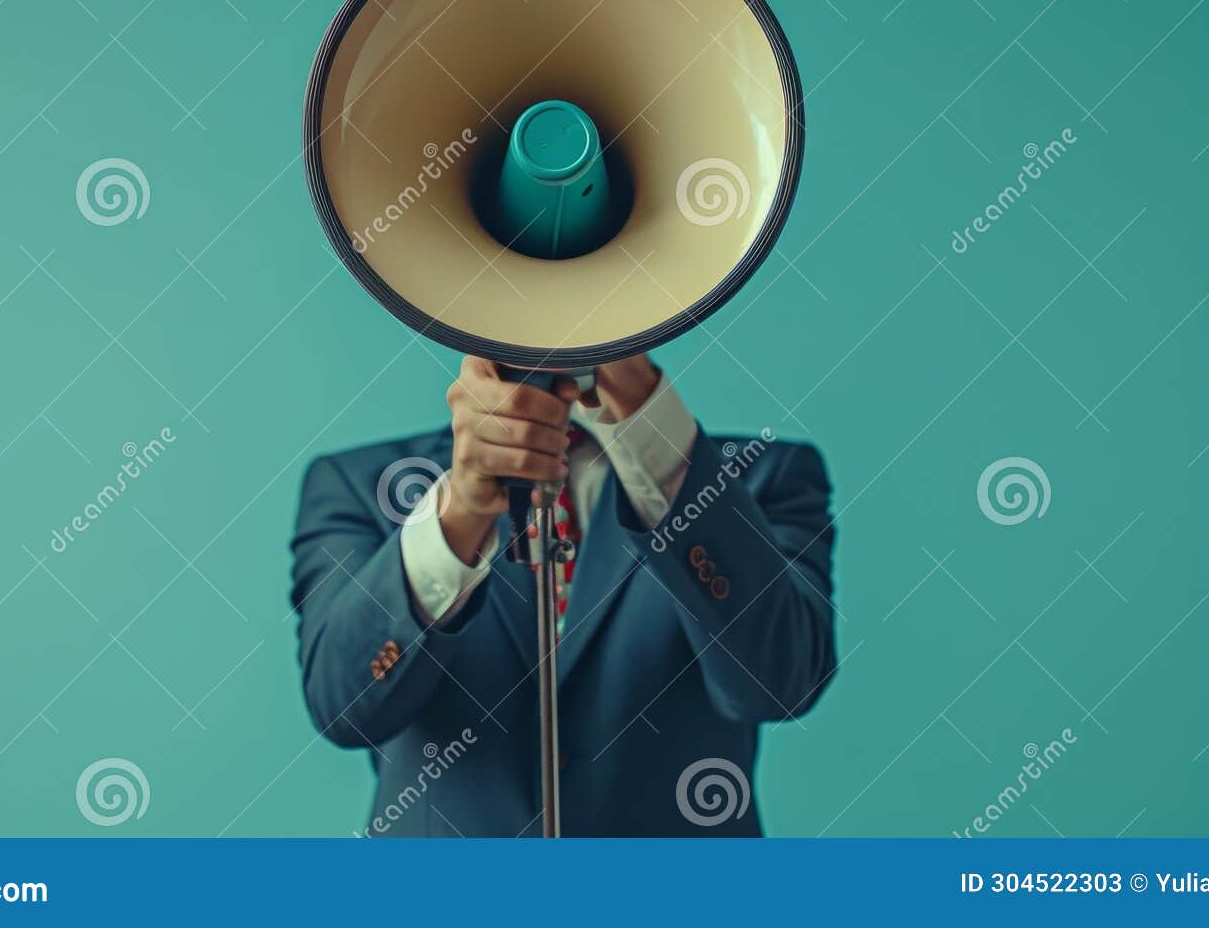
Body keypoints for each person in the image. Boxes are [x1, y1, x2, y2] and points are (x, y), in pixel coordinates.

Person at [288, 353, 836, 836]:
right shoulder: (359, 484)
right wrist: (462, 510)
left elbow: (781, 684)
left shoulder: (762, 476)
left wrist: (658, 439)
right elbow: (346, 707)